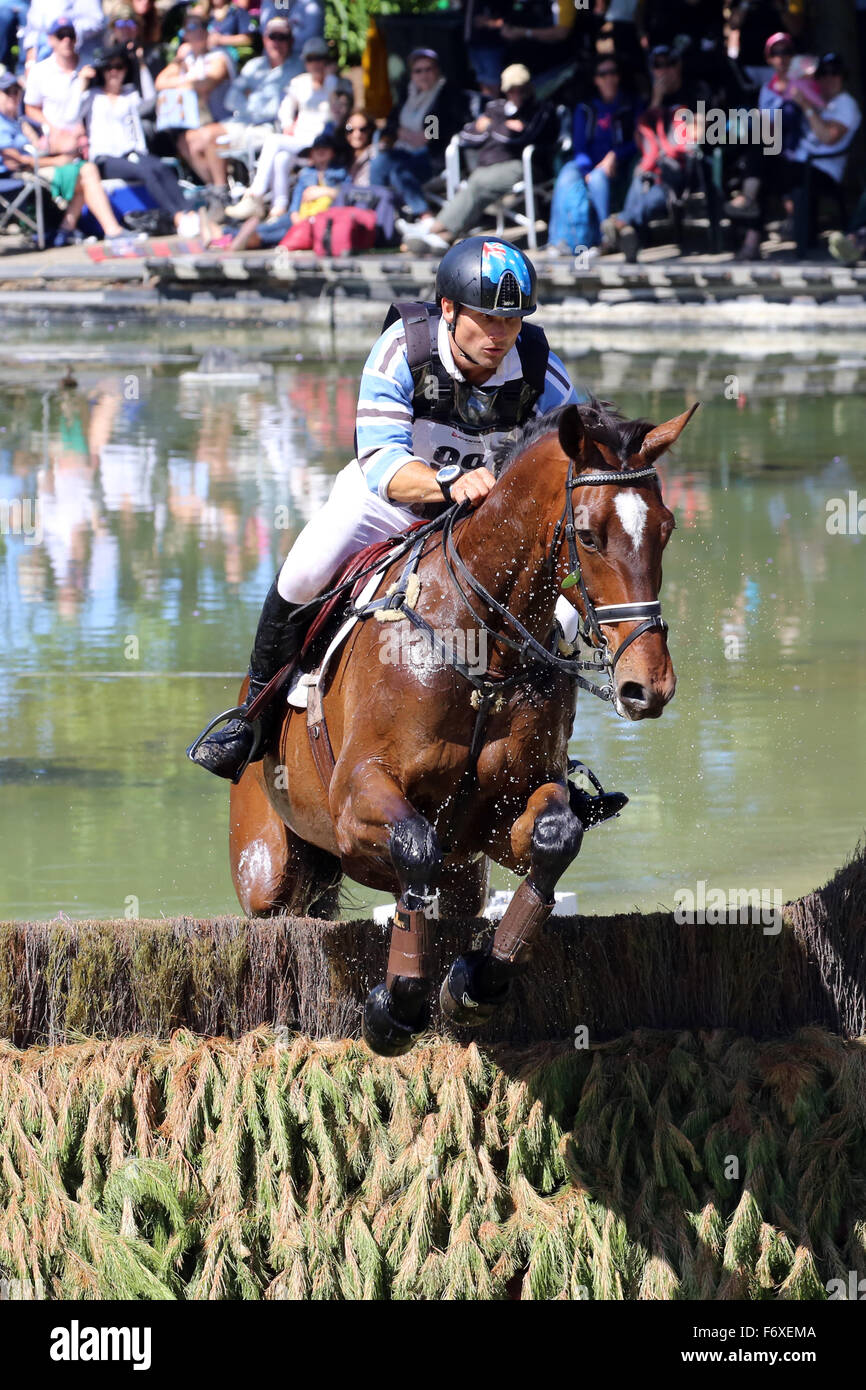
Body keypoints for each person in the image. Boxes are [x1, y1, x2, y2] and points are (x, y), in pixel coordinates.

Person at [188, 237, 589, 782]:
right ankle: (255, 716)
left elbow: (575, 463)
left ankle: (553, 758)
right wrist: (449, 482)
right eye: (487, 320)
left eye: (512, 321)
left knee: (567, 608)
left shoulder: (544, 372)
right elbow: (381, 464)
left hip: (483, 521)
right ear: (449, 309)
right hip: (388, 503)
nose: (501, 336)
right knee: (304, 571)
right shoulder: (404, 350)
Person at [398, 64, 557, 254]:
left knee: (477, 183)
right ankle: (441, 238)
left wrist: (490, 127)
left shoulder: (540, 110)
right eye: (512, 89)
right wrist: (502, 126)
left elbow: (520, 138)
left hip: (521, 165)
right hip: (486, 169)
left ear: (529, 87)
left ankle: (432, 227)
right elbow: (466, 136)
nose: (517, 94)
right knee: (477, 184)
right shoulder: (495, 107)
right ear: (504, 90)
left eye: (521, 88)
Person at [0, 67, 133, 246]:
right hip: (16, 176)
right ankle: (101, 230)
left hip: (34, 168)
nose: (14, 96)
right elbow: (13, 161)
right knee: (87, 173)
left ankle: (70, 230)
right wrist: (56, 161)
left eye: (16, 91)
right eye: (8, 91)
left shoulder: (19, 122)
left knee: (86, 172)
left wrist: (68, 146)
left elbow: (40, 147)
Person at [78, 47, 201, 238]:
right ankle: (177, 217)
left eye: (119, 67)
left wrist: (141, 63)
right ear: (102, 71)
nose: (114, 72)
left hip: (132, 152)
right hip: (105, 158)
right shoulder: (92, 96)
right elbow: (70, 115)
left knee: (161, 167)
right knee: (145, 172)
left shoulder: (130, 94)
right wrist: (82, 82)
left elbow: (151, 97)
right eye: (109, 67)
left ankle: (189, 212)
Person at [600, 45, 706, 262]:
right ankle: (628, 233)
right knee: (639, 182)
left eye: (670, 64)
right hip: (652, 164)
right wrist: (656, 101)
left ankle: (620, 223)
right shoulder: (651, 99)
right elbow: (641, 138)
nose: (664, 70)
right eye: (658, 66)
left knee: (658, 193)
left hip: (681, 166)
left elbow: (699, 133)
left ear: (679, 66)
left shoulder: (694, 91)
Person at [224, 34, 335, 223]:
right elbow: (286, 108)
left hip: (323, 141)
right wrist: (287, 123)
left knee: (274, 140)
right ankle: (278, 209)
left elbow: (338, 112)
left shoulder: (335, 83)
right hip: (300, 140)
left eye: (320, 59)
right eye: (311, 59)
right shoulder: (300, 82)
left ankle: (255, 193)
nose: (315, 64)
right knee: (281, 158)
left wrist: (328, 81)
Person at [546, 54, 641, 252]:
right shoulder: (586, 109)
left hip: (618, 164)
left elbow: (639, 140)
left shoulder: (631, 104)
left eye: (612, 73)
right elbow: (580, 147)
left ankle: (605, 237)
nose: (608, 78)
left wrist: (615, 155)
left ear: (619, 76)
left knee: (598, 178)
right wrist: (586, 170)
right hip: (587, 162)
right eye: (602, 74)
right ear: (596, 79)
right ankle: (558, 241)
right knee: (565, 177)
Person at [369, 49, 468, 221]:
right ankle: (379, 215)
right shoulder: (407, 94)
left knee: (400, 173)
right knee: (379, 163)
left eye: (428, 69)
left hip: (432, 156)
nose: (423, 75)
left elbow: (434, 134)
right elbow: (391, 124)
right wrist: (400, 132)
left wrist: (412, 135)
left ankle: (425, 217)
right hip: (404, 151)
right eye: (418, 71)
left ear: (437, 71)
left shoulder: (445, 94)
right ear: (412, 74)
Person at [154, 15, 233, 190]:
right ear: (185, 35)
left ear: (206, 32)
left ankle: (221, 188)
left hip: (226, 120)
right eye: (190, 30)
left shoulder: (220, 56)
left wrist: (184, 83)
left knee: (207, 136)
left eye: (198, 29)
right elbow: (160, 82)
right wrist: (178, 61)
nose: (195, 34)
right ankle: (213, 188)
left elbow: (207, 84)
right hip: (201, 123)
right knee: (185, 141)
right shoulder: (187, 60)